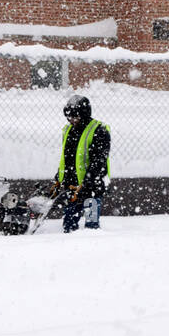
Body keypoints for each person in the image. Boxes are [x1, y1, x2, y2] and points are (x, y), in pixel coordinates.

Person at [51, 94, 111, 232]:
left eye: (75, 117)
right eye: (68, 117)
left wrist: (86, 184)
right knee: (68, 226)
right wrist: (59, 179)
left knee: (91, 227)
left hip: (92, 188)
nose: (71, 120)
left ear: (84, 114)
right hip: (72, 187)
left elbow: (99, 162)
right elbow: (67, 159)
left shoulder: (98, 131)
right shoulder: (68, 130)